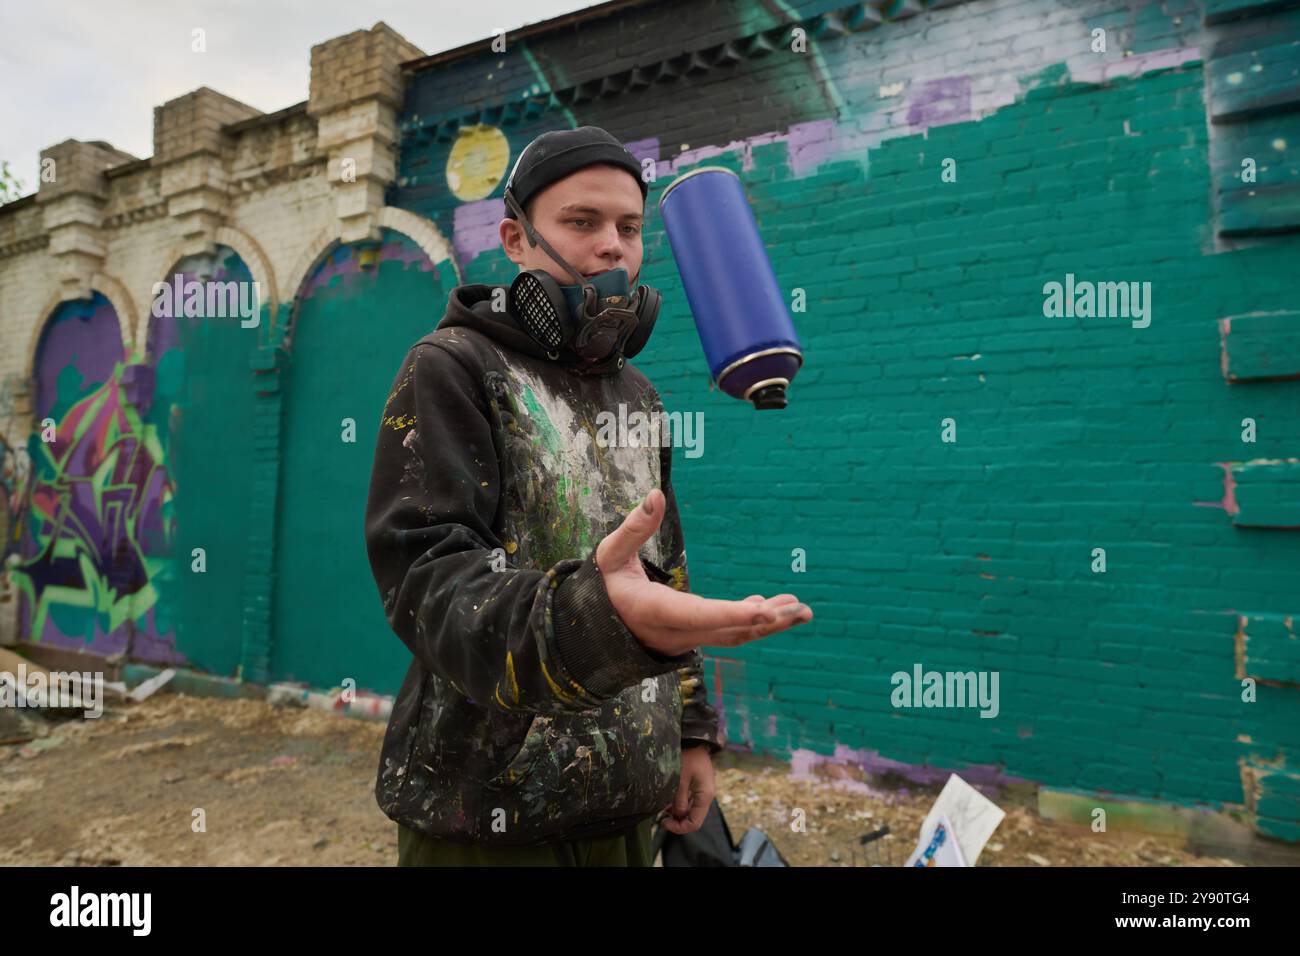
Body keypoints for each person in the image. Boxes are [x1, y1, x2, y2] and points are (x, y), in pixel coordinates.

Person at [363, 126, 813, 867]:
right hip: (484, 819)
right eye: (582, 222)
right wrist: (597, 617)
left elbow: (665, 570)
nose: (614, 247)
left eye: (630, 228)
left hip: (631, 803)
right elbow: (429, 585)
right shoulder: (451, 367)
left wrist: (691, 733)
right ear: (515, 238)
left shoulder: (639, 394)